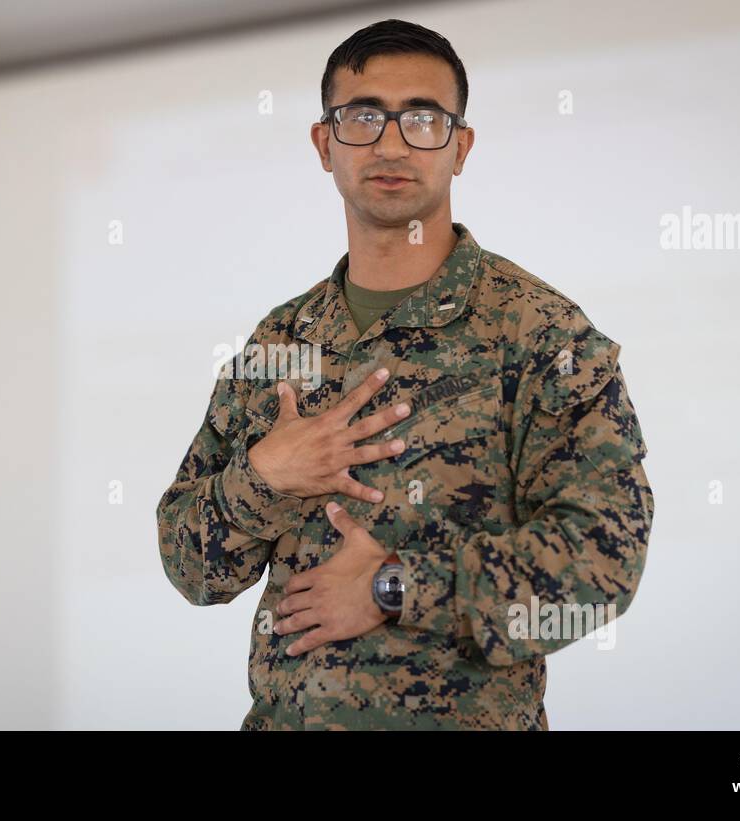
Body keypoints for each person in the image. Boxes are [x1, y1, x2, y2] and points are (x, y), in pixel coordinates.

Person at [156, 18, 654, 729]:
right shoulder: (280, 341)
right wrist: (262, 477)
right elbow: (191, 566)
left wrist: (396, 587)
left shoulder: (541, 335)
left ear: (461, 146)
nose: (391, 143)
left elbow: (604, 563)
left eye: (422, 118)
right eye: (363, 117)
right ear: (325, 145)